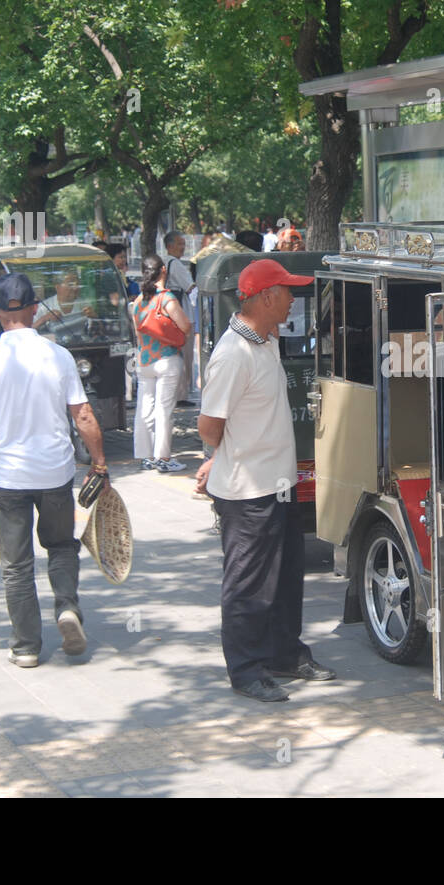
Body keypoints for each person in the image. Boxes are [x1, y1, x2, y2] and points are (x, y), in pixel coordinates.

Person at [198, 257, 336, 702]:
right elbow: (208, 426)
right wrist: (222, 457)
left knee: (285, 576)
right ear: (266, 297)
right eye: (288, 291)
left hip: (278, 483)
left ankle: (284, 653)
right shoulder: (232, 355)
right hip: (247, 491)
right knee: (248, 583)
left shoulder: (265, 340)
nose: (294, 299)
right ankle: (246, 669)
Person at [0, 273, 109, 668]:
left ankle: (26, 646)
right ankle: (67, 608)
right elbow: (84, 415)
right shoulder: (58, 356)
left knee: (16, 566)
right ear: (33, 308)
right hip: (55, 473)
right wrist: (99, 463)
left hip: (7, 478)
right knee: (62, 546)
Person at [131, 253, 190, 473]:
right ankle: (164, 459)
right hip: (167, 358)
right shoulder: (166, 298)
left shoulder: (138, 302)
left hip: (144, 360)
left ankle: (146, 457)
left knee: (144, 409)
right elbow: (184, 326)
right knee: (164, 410)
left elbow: (138, 334)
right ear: (164, 270)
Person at [162, 231, 197, 405]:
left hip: (168, 316)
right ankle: (182, 395)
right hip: (182, 314)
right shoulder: (175, 264)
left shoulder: (163, 262)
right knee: (185, 355)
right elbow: (190, 287)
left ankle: (174, 393)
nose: (182, 247)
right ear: (169, 246)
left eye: (184, 244)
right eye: (179, 244)